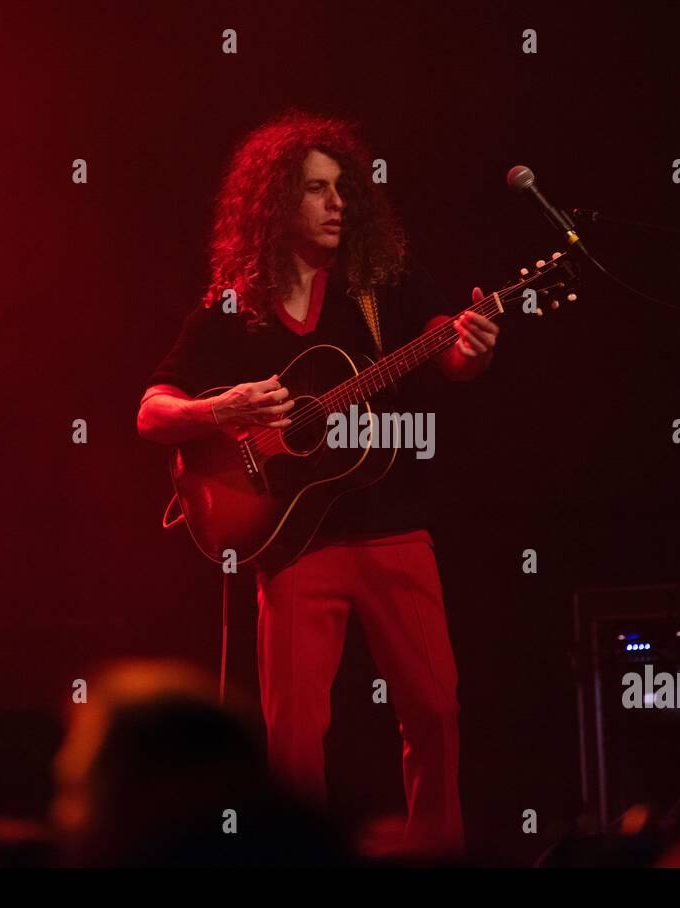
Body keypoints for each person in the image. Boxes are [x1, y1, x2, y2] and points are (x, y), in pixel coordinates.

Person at [137, 112, 498, 858]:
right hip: (294, 545)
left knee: (435, 709)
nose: (338, 203)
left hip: (393, 528)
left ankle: (440, 851)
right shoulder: (233, 306)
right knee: (294, 734)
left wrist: (475, 348)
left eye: (343, 189)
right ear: (275, 203)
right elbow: (151, 412)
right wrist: (221, 407)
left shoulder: (378, 286)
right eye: (316, 189)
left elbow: (450, 356)